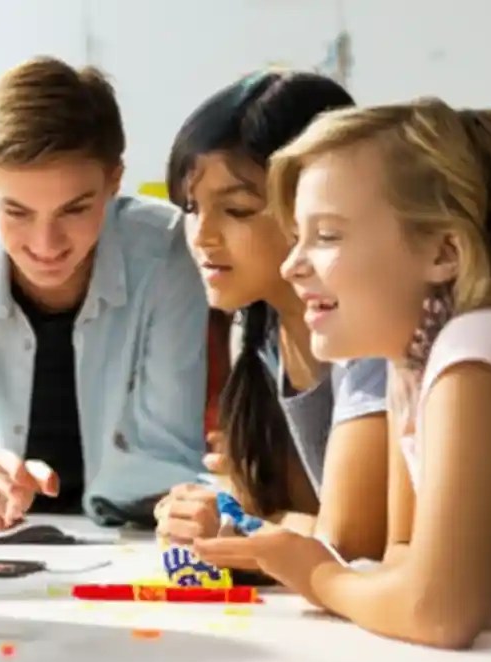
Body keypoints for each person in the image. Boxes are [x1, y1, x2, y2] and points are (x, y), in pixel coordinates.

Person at [196, 99, 491, 662]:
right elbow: (399, 558)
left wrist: (320, 576)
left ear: (443, 252)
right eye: (297, 236)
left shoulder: (475, 355)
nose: (292, 266)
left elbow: (440, 610)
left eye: (326, 235)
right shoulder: (414, 365)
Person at [0, 56, 209, 530]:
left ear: (114, 181)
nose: (46, 245)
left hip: (130, 541)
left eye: (75, 210)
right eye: (16, 212)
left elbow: (169, 457)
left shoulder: (166, 253)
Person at [155, 71, 390, 565]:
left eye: (237, 210)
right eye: (193, 208)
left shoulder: (378, 331)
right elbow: (290, 515)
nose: (202, 236)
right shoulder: (260, 329)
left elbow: (349, 545)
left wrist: (242, 527)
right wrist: (221, 515)